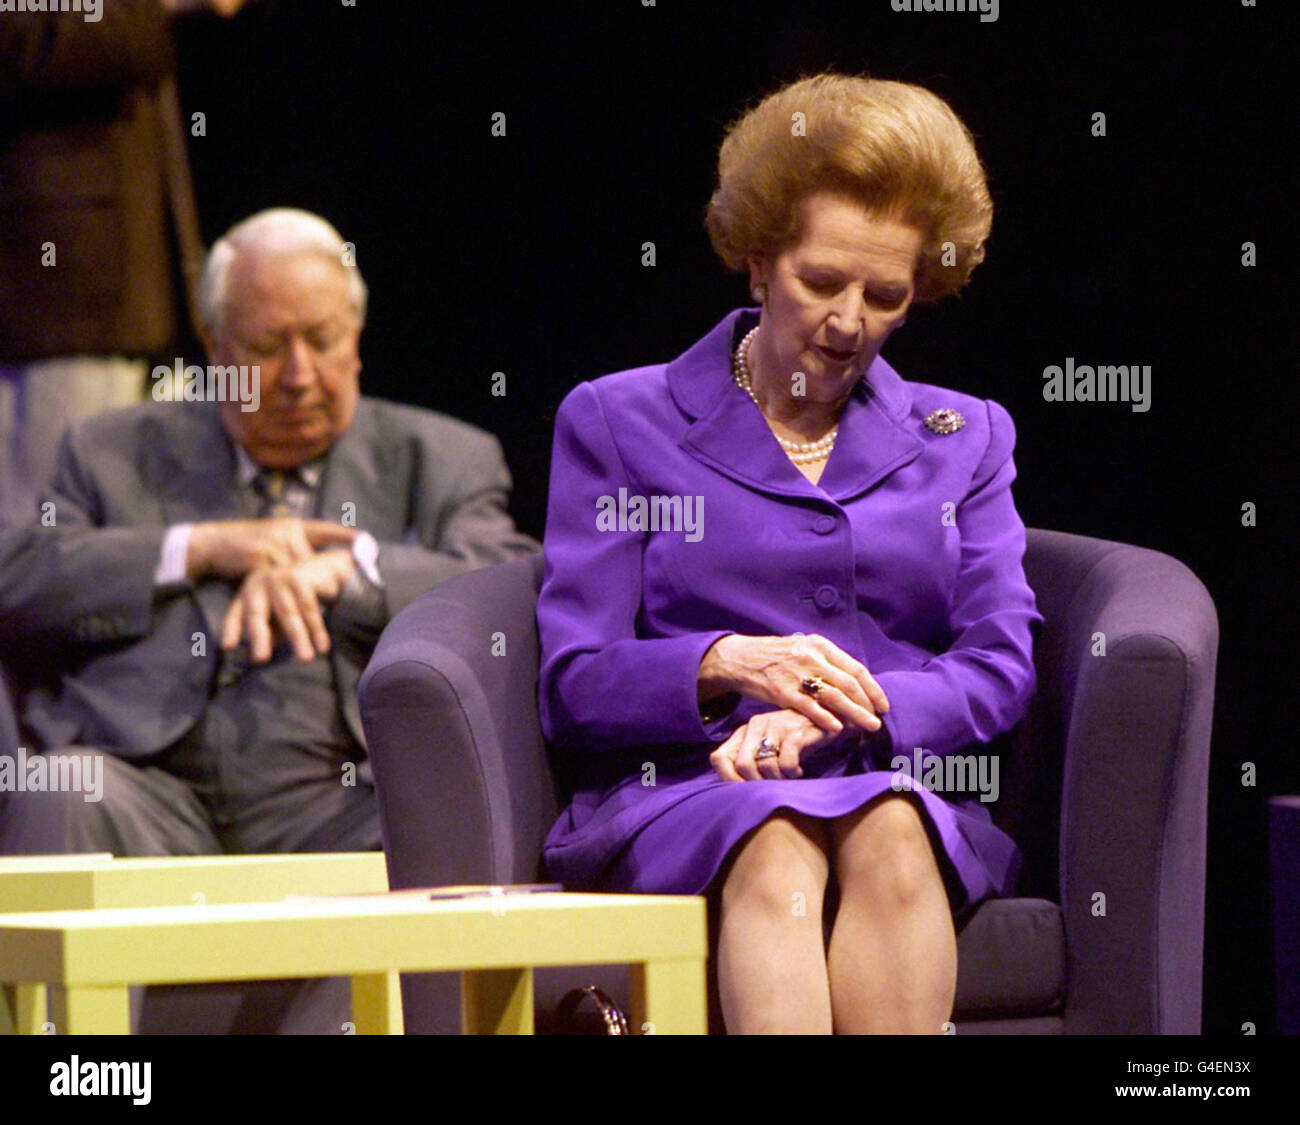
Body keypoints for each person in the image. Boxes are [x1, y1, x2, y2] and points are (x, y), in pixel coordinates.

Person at [535, 73, 1043, 1035]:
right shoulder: (617, 418)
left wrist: (841, 713)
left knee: (890, 830)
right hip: (691, 788)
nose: (849, 322)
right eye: (820, 282)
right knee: (774, 837)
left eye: (885, 295)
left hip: (892, 782)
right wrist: (726, 663)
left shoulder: (965, 435)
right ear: (759, 262)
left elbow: (999, 663)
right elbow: (576, 674)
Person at [0, 207, 539, 1030]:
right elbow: (22, 576)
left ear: (355, 339)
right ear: (215, 349)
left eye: (322, 341)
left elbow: (510, 585)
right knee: (62, 790)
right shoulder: (109, 450)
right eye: (262, 347)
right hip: (153, 791)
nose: (296, 375)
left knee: (429, 814)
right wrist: (200, 547)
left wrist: (348, 570)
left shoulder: (442, 458)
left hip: (344, 801)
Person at [0, 0, 249, 528]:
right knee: (45, 533)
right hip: (57, 299)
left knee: (137, 533)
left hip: (145, 287)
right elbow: (20, 34)